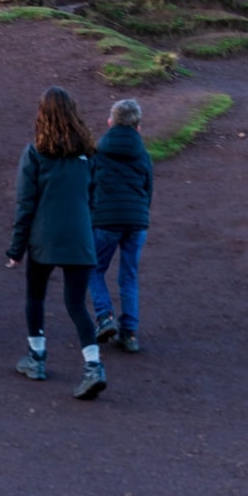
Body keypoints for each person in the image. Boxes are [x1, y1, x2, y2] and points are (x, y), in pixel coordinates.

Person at [7, 87, 106, 400]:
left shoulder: (35, 153)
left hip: (43, 240)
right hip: (80, 240)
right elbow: (93, 200)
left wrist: (16, 249)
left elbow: (25, 204)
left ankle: (36, 358)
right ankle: (94, 366)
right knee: (76, 304)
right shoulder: (88, 156)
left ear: (42, 115)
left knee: (35, 296)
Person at [89, 98, 153, 354]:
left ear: (110, 122)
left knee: (93, 268)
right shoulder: (143, 154)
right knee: (129, 275)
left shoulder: (98, 152)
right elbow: (148, 189)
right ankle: (130, 334)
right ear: (138, 126)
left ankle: (104, 316)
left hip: (105, 220)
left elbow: (89, 186)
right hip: (137, 221)